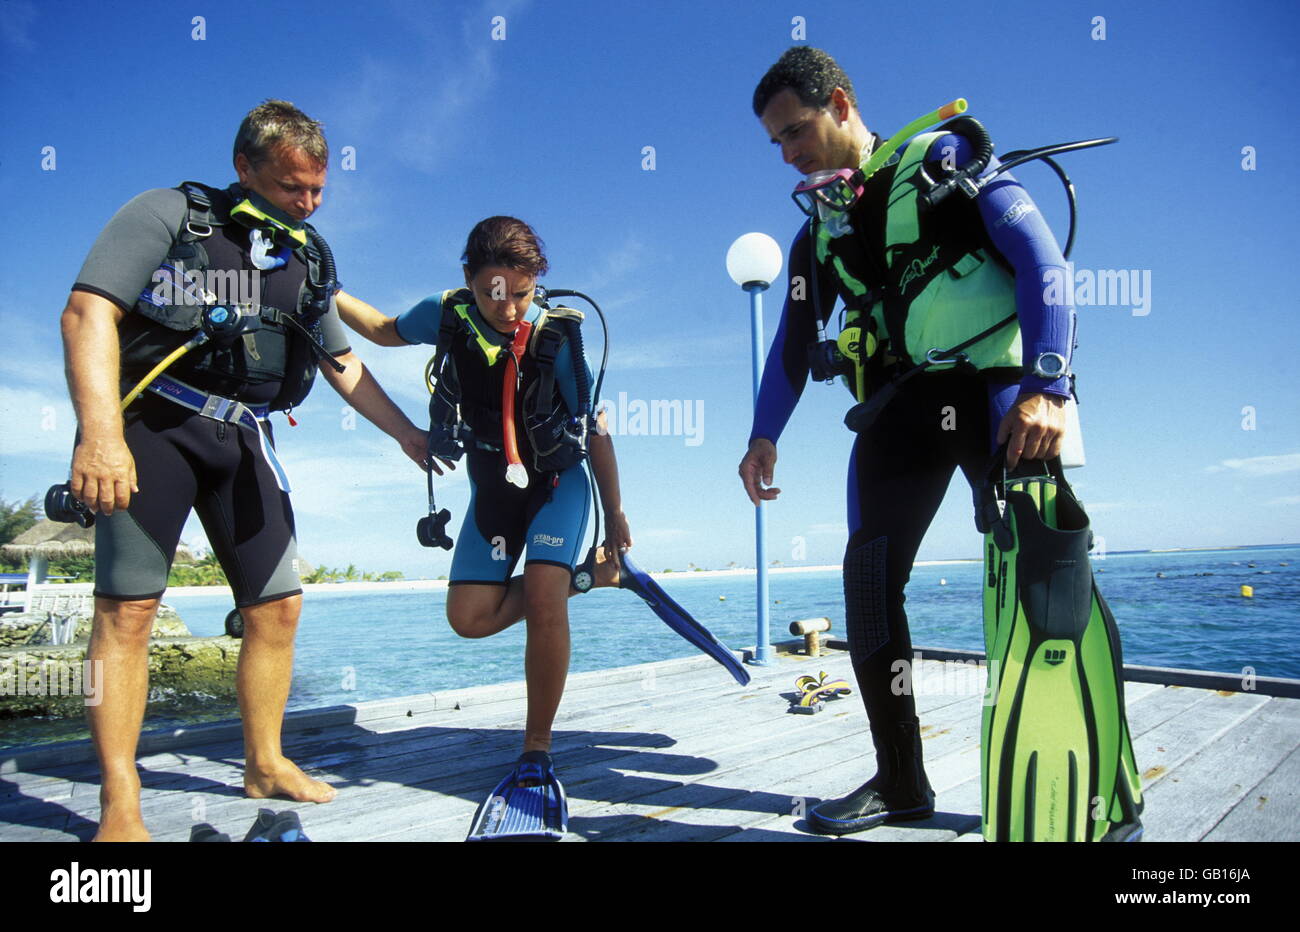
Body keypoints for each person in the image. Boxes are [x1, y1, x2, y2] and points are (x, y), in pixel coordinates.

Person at [61, 100, 428, 841]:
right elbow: (86, 313)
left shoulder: (307, 258)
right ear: (244, 167)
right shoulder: (170, 216)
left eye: (319, 190)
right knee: (128, 612)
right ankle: (120, 799)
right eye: (294, 187)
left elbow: (344, 362)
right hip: (153, 428)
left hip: (244, 439)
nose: (309, 203)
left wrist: (408, 436)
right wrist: (100, 436)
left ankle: (264, 761)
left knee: (278, 608)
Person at [738, 48, 1076, 834]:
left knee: (1045, 578)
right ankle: (902, 783)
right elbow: (792, 348)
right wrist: (763, 437)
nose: (788, 153)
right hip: (897, 413)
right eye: (776, 143)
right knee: (868, 587)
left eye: (796, 130)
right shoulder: (815, 240)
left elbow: (1043, 263)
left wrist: (1049, 384)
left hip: (1002, 397)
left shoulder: (946, 160)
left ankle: (1078, 768)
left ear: (842, 103)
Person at [336, 216, 631, 838]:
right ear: (468, 280)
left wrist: (618, 511)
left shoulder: (559, 337)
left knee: (545, 596)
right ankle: (592, 578)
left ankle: (535, 749)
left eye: (520, 293)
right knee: (468, 618)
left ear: (536, 285)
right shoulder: (443, 315)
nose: (506, 306)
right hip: (493, 489)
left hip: (558, 484)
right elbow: (383, 331)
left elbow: (594, 431)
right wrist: (323, 286)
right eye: (492, 291)